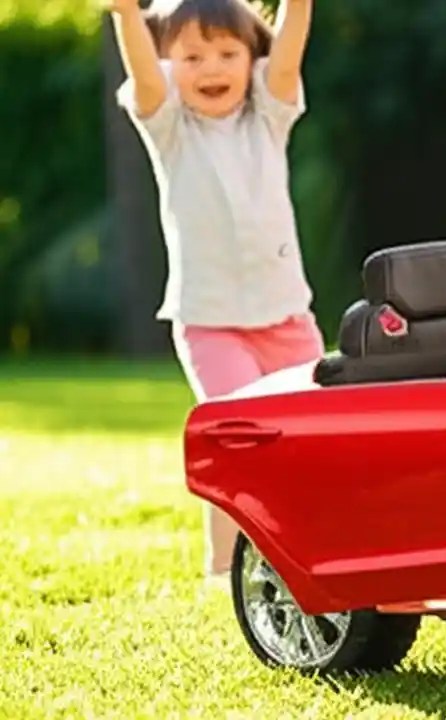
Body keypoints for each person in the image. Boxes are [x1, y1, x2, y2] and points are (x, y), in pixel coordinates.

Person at [110, 0, 323, 578]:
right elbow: (144, 76)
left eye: (228, 53)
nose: (211, 68)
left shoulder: (268, 116)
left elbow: (287, 54)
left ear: (253, 60)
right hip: (210, 321)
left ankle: (309, 551)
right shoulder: (170, 128)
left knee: (308, 434)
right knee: (233, 434)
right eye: (192, 57)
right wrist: (126, 14)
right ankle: (225, 567)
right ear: (168, 64)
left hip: (287, 318)